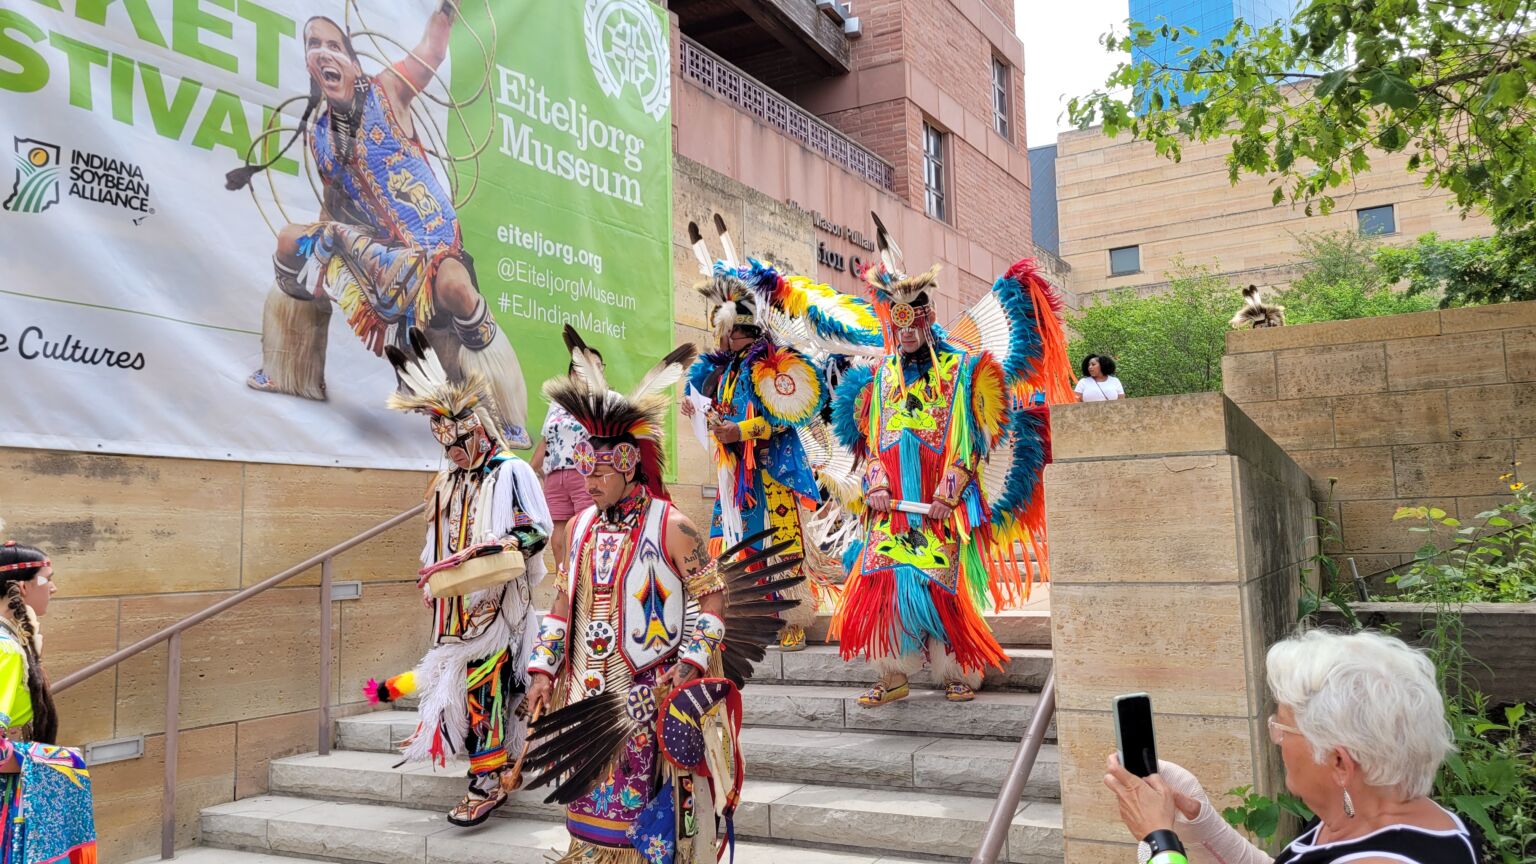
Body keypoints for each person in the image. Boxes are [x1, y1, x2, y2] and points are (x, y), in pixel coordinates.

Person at [229, 5, 531, 448]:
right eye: (314, 45)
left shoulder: (389, 90)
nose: (324, 52)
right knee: (290, 241)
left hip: (433, 243)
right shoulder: (319, 134)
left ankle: (502, 410)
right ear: (310, 63)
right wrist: (325, 251)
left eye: (334, 45)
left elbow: (431, 50)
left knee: (457, 289)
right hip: (378, 249)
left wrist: (446, 11)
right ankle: (291, 369)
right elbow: (336, 202)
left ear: (352, 59)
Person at [829, 220, 1066, 708]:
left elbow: (971, 441)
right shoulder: (877, 379)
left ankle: (957, 669)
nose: (907, 332)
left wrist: (947, 494)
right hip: (891, 506)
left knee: (942, 588)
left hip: (940, 507)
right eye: (898, 325)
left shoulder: (961, 372)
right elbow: (872, 445)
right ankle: (893, 672)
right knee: (884, 586)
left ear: (928, 317)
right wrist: (874, 483)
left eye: (914, 323)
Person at [362, 330, 550, 827]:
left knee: (486, 686)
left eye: (462, 443)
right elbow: (435, 536)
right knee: (471, 688)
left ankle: (485, 784)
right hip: (455, 607)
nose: (456, 454)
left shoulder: (512, 472)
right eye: (447, 446)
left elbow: (539, 530)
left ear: (481, 429)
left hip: (498, 604)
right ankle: (500, 763)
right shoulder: (447, 479)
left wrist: (500, 547)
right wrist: (431, 578)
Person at [1104, 629, 1478, 864]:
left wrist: (1157, 842)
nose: (1277, 738)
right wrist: (1200, 822)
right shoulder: (1366, 821)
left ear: (1338, 762)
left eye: (1281, 727)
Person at [680, 218, 827, 652]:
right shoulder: (719, 372)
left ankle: (792, 616)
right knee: (735, 541)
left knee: (780, 540)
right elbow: (719, 417)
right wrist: (701, 413)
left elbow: (784, 417)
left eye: (726, 330)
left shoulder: (774, 364)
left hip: (770, 470)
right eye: (719, 332)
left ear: (742, 329)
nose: (721, 337)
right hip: (733, 475)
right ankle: (745, 615)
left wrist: (738, 429)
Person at [0, 531, 98, 862]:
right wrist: (57, 762)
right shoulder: (7, 650)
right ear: (22, 588)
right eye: (47, 579)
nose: (53, 588)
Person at [532, 344, 604, 569]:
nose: (596, 370)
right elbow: (546, 440)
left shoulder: (604, 399)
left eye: (600, 367)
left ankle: (586, 587)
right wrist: (528, 470)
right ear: (574, 371)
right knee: (558, 536)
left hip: (584, 473)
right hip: (554, 476)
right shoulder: (558, 401)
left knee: (584, 530)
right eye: (590, 365)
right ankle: (563, 588)